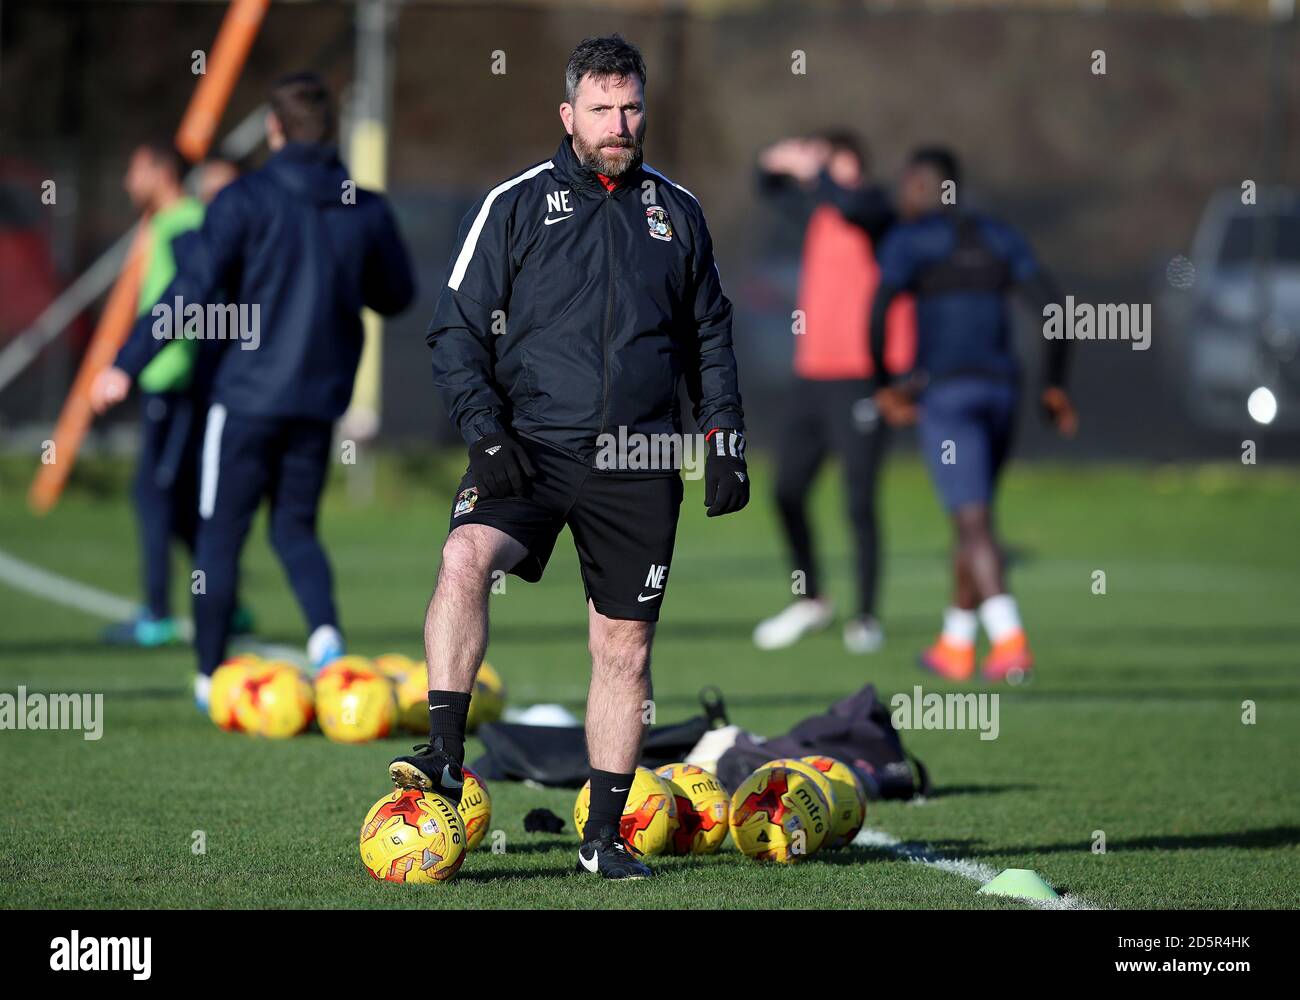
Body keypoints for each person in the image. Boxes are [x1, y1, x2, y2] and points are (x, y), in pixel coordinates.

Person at [387, 35, 748, 881]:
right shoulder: (514, 205)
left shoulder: (679, 212)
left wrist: (722, 439)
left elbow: (711, 336)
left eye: (630, 108)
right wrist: (484, 431)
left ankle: (604, 837)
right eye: (601, 109)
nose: (619, 124)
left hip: (641, 458)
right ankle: (444, 752)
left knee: (624, 648)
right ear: (568, 114)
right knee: (465, 554)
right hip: (530, 447)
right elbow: (455, 331)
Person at [91, 72, 416, 705]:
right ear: (332, 132)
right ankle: (326, 643)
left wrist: (126, 363)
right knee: (295, 528)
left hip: (243, 401)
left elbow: (190, 291)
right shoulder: (364, 206)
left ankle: (211, 674)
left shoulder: (245, 199)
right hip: (319, 401)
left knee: (221, 534)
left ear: (273, 129)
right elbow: (397, 295)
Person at [869, 147, 1077, 684]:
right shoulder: (998, 236)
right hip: (1002, 392)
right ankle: (956, 644)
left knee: (973, 519)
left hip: (948, 397)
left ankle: (1009, 640)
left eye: (906, 184)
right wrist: (1054, 385)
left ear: (923, 186)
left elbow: (878, 311)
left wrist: (884, 385)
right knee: (974, 516)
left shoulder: (910, 241)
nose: (900, 195)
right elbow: (1052, 304)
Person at [751, 132, 914, 654]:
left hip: (863, 375)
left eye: (830, 163)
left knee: (859, 499)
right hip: (813, 376)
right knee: (786, 490)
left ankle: (866, 616)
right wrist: (773, 161)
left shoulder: (875, 207)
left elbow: (849, 202)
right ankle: (811, 597)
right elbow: (767, 187)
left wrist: (813, 169)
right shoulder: (818, 211)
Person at [101, 145, 246, 647]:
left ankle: (159, 612)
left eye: (135, 169)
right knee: (173, 496)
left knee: (155, 494)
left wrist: (171, 360)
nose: (127, 180)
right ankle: (225, 595)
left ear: (163, 173)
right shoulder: (167, 220)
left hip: (176, 376)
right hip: (163, 375)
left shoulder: (186, 219)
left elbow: (202, 296)